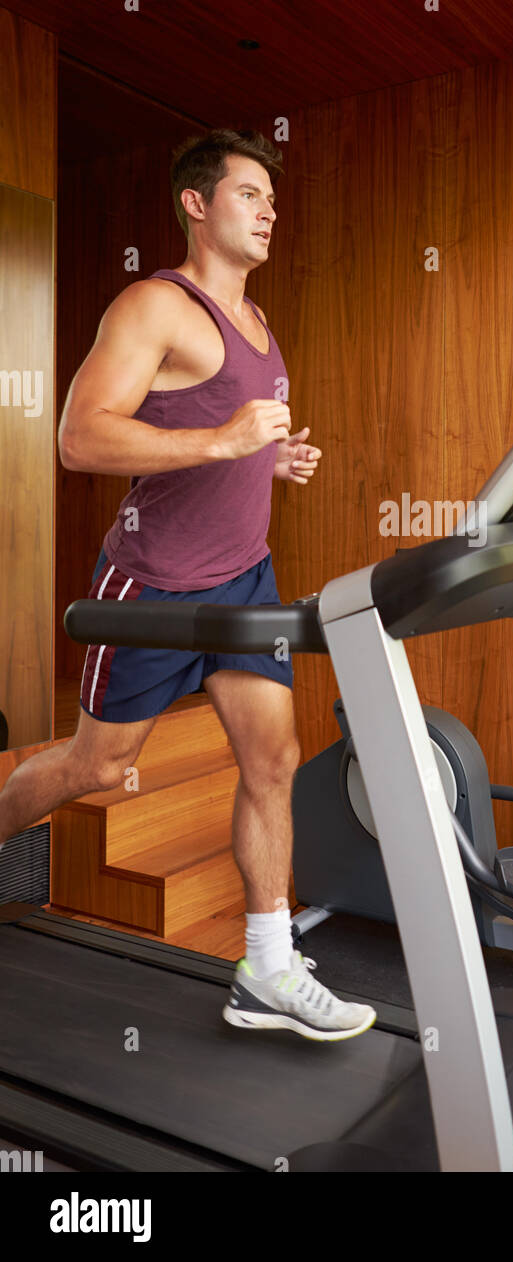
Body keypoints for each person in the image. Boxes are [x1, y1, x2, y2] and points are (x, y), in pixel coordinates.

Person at [0, 127, 375, 1042]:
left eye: (272, 199)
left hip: (244, 582)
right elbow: (82, 438)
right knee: (102, 764)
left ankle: (266, 967)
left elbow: (221, 431)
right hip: (154, 587)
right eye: (250, 194)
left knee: (273, 761)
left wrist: (269, 458)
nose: (268, 210)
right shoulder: (155, 306)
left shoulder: (254, 321)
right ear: (196, 205)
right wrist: (221, 444)